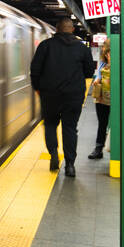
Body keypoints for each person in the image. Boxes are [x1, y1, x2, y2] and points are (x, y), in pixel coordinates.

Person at [30, 16, 95, 177]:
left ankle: (53, 154)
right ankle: (70, 165)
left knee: (50, 125)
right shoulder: (82, 48)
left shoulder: (45, 46)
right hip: (73, 96)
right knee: (70, 128)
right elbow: (89, 72)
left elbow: (35, 70)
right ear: (72, 29)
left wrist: (38, 88)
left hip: (49, 95)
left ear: (56, 29)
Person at [88, 38, 111, 159]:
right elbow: (98, 74)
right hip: (101, 98)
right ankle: (98, 148)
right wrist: (97, 80)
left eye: (104, 48)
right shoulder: (102, 62)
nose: (103, 50)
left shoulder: (118, 61)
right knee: (102, 123)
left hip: (113, 98)